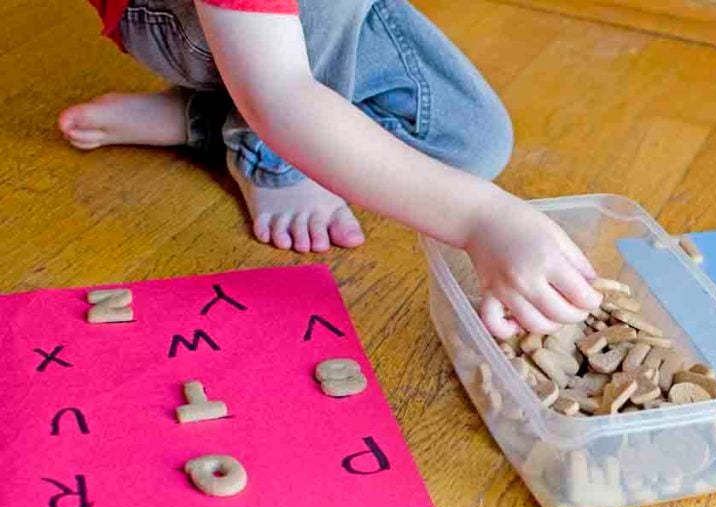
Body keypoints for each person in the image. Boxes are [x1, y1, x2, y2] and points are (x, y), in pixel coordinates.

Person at [60, 0, 602, 338]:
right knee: (287, 83)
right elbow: (284, 94)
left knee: (469, 141)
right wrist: (482, 219)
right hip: (170, 20)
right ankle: (266, 153)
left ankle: (206, 116)